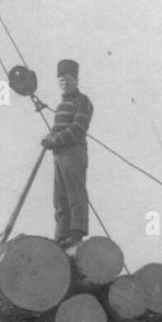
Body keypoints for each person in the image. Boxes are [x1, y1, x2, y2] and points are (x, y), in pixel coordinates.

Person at [41, 58, 94, 248]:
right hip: (59, 154)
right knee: (60, 196)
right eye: (61, 80)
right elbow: (58, 127)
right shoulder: (61, 104)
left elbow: (78, 129)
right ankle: (61, 235)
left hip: (73, 152)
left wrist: (55, 139)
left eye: (69, 79)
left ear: (76, 81)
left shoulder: (82, 101)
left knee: (75, 193)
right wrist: (50, 136)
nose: (65, 83)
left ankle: (76, 232)